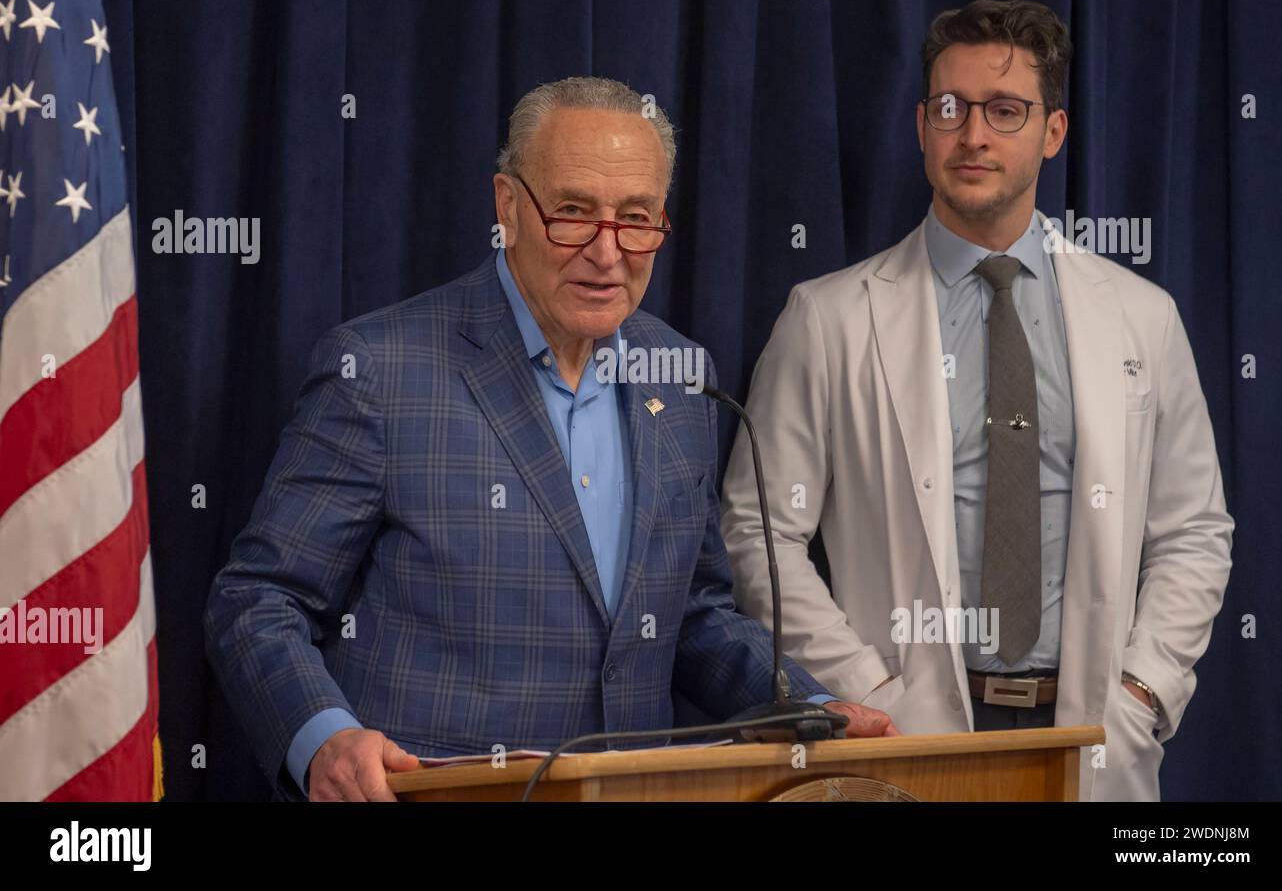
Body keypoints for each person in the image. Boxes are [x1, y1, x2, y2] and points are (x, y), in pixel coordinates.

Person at [205, 76, 896, 803]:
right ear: (507, 205)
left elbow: (691, 613)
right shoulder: (380, 370)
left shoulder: (683, 379)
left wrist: (811, 710)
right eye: (572, 214)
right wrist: (324, 738)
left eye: (636, 219)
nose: (607, 252)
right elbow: (258, 600)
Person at [720, 0, 1233, 801]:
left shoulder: (1142, 317)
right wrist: (869, 687)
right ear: (923, 126)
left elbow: (1195, 531)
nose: (973, 135)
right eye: (949, 109)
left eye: (1005, 110)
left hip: (1093, 733)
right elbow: (758, 535)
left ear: (1053, 133)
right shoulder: (827, 318)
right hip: (903, 733)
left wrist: (1142, 690)